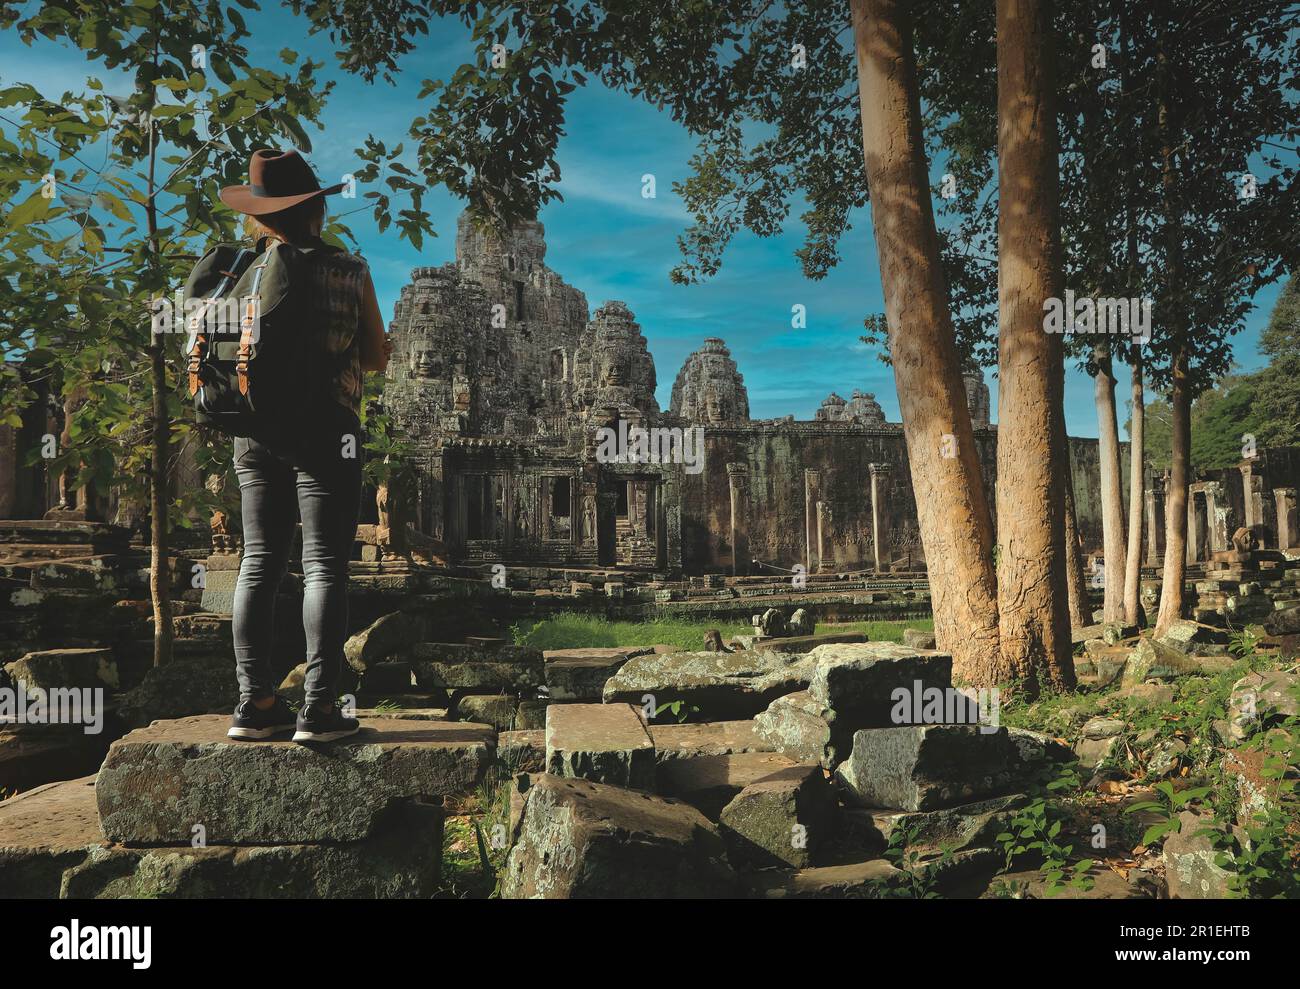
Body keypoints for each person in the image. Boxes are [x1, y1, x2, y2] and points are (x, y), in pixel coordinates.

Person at [217, 149, 390, 743]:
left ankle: (253, 703)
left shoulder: (240, 270)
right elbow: (374, 356)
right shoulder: (348, 269)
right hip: (327, 430)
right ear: (316, 206)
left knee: (257, 562)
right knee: (323, 566)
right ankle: (318, 709)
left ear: (260, 216)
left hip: (253, 430)